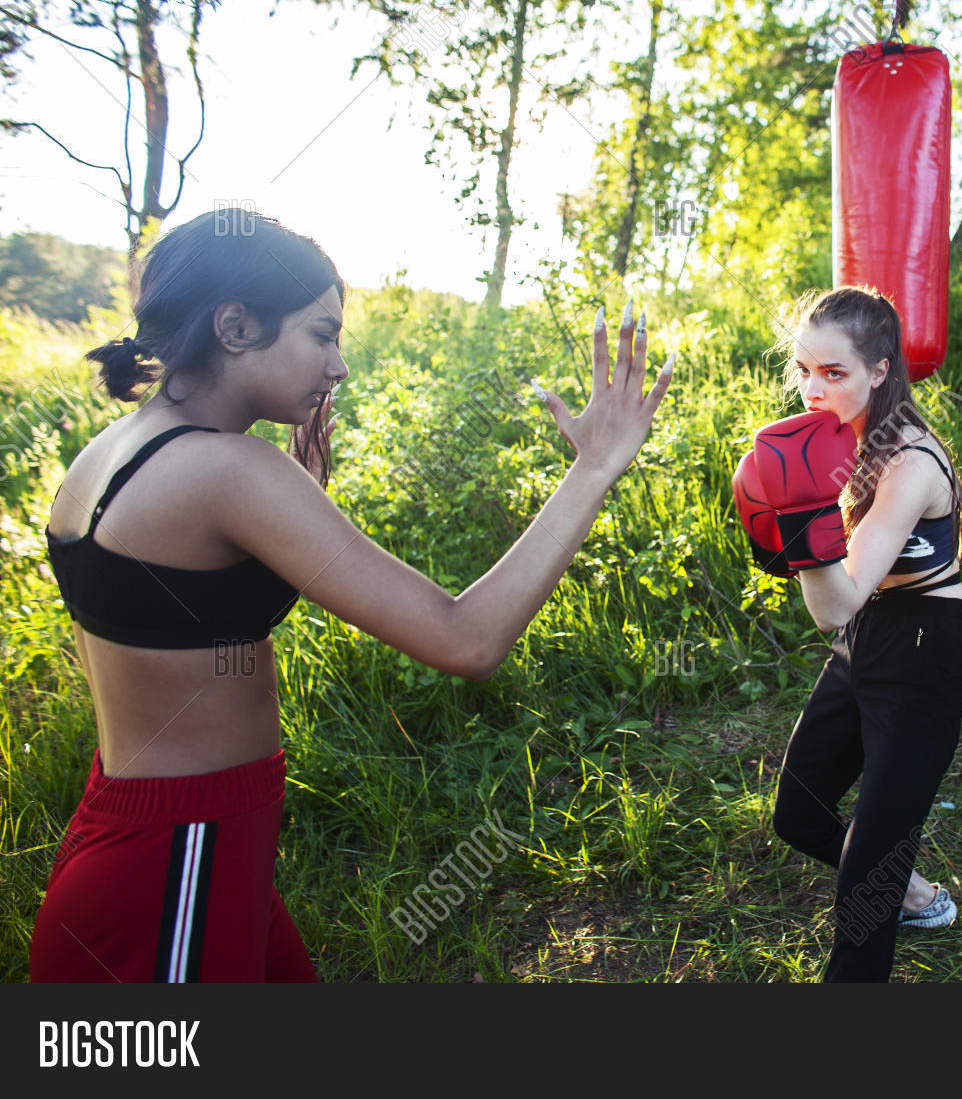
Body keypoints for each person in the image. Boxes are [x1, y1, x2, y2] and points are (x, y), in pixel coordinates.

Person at [30, 207, 671, 981]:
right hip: (176, 873)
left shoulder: (114, 451)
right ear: (234, 326)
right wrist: (593, 469)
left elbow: (173, 614)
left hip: (154, 846)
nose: (338, 367)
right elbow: (467, 640)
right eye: (321, 335)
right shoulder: (229, 471)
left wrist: (291, 497)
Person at [759, 286, 962, 983]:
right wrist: (781, 527)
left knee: (866, 877)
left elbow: (835, 604)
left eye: (834, 373)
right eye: (804, 370)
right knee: (798, 813)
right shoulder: (832, 442)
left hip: (925, 653)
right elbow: (835, 600)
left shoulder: (909, 462)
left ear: (880, 371)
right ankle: (913, 892)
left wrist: (799, 520)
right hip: (868, 637)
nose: (812, 390)